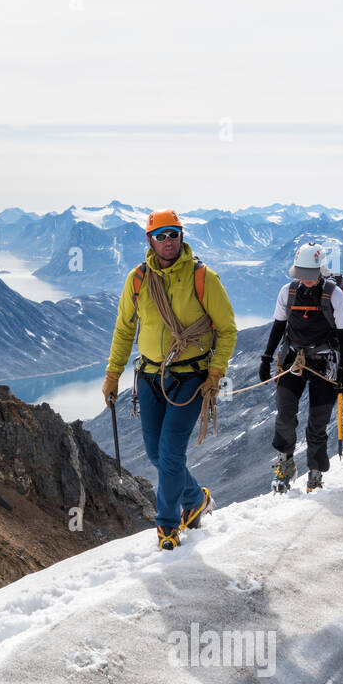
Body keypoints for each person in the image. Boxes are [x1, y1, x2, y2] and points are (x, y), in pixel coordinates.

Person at [102, 209, 237, 551]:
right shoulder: (137, 280)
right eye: (160, 235)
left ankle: (167, 526)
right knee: (155, 454)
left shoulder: (203, 278)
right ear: (149, 240)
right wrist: (112, 374)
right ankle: (194, 498)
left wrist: (216, 371)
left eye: (173, 234)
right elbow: (123, 329)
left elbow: (227, 329)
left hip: (191, 379)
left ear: (182, 234)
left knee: (170, 453)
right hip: (148, 378)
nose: (167, 241)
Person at [258, 242, 343, 492]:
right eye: (303, 275)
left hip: (324, 362)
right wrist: (266, 359)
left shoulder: (335, 295)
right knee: (285, 412)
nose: (307, 281)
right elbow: (278, 327)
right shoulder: (287, 292)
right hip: (293, 359)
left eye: (311, 276)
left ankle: (315, 470)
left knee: (317, 423)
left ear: (320, 271)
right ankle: (286, 461)